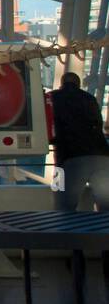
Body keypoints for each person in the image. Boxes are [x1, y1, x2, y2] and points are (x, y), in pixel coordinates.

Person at [48, 71, 109, 212]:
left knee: (63, 206)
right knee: (106, 208)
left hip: (68, 157)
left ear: (61, 84)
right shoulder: (90, 98)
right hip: (102, 156)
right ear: (79, 84)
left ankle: (64, 233)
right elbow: (98, 124)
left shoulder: (52, 97)